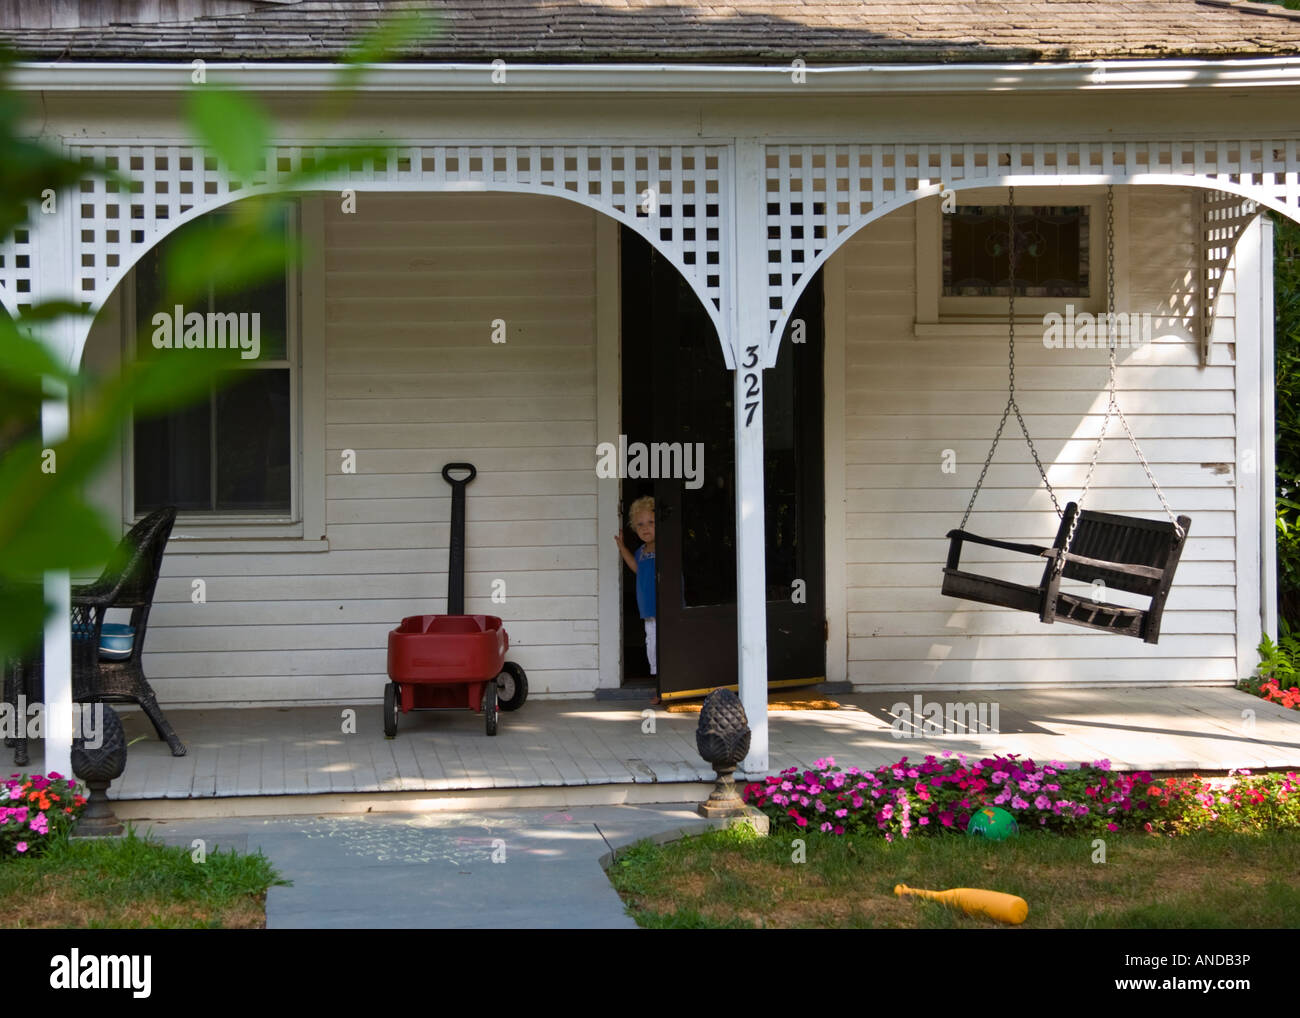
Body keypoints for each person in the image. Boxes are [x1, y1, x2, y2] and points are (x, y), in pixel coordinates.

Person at [614, 495, 658, 703]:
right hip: (649, 609)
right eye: (640, 524)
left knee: (666, 645)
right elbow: (636, 568)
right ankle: (660, 683)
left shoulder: (664, 549)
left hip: (664, 607)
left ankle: (667, 686)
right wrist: (622, 547)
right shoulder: (641, 551)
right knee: (652, 644)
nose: (646, 528)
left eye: (651, 522)